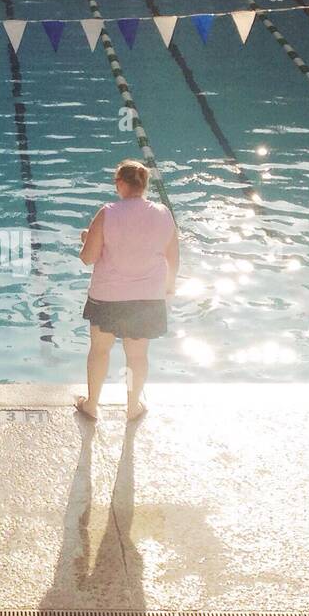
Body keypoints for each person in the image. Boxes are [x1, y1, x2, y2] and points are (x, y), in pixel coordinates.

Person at [75, 160, 178, 423]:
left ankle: (92, 405)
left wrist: (86, 239)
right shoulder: (163, 213)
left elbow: (88, 257)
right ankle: (132, 406)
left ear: (121, 183)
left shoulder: (107, 213)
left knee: (100, 350)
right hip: (147, 298)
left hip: (107, 298)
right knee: (137, 355)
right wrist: (167, 289)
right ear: (143, 185)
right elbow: (173, 258)